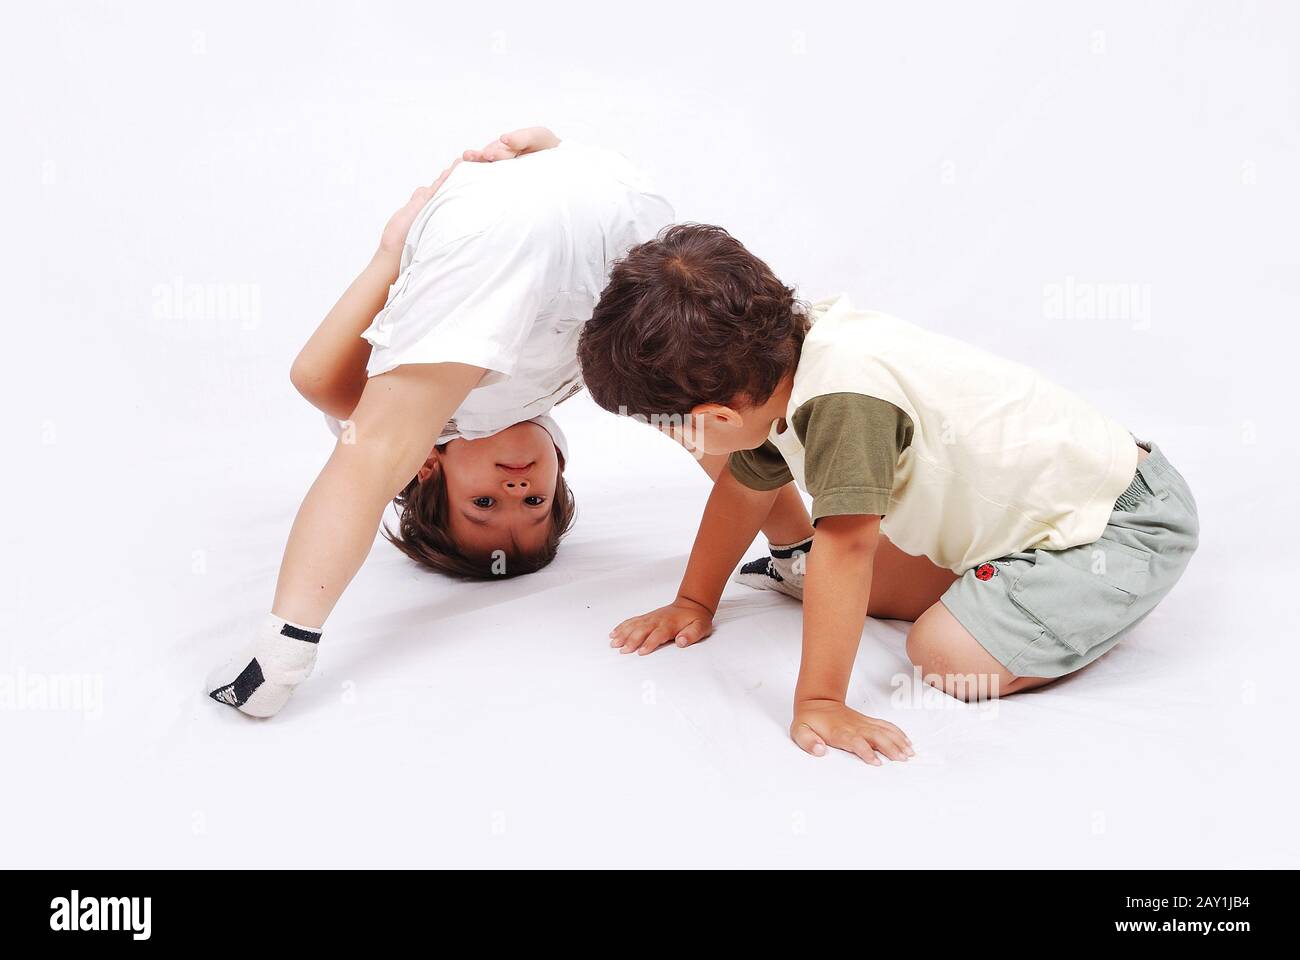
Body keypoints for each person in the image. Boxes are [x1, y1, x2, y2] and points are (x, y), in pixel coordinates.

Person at [579, 223, 1200, 765]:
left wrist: (821, 702)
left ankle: (1097, 607)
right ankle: (1009, 591)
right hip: (1049, 515)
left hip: (1123, 527)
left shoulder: (845, 399)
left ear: (714, 418)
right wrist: (695, 601)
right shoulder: (783, 360)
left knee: (944, 654)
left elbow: (844, 551)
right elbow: (744, 489)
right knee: (855, 584)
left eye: (673, 428)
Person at [207, 128, 672, 717]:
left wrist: (389, 253)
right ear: (559, 466)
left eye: (484, 504)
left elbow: (318, 381)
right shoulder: (573, 383)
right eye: (535, 504)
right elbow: (710, 421)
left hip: (492, 230)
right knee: (692, 374)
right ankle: (794, 545)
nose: (516, 490)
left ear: (427, 468)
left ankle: (279, 654)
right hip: (618, 203)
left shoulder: (433, 424)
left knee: (370, 448)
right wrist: (553, 161)